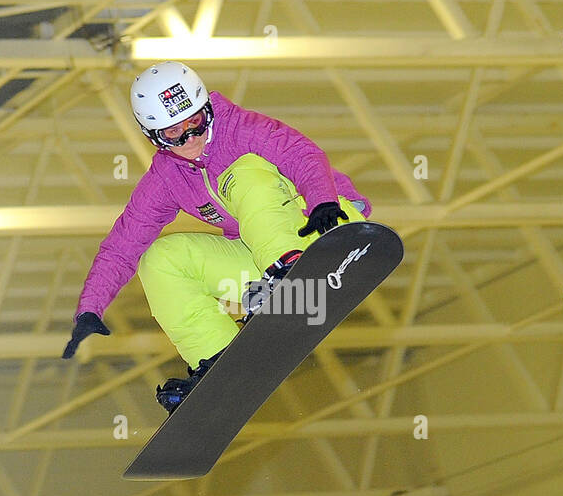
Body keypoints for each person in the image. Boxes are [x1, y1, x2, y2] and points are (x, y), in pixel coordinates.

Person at [62, 61, 371, 412]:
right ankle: (218, 360)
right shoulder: (166, 178)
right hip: (261, 269)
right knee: (159, 259)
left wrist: (322, 201)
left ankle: (289, 270)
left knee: (244, 173)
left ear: (206, 109)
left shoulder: (241, 129)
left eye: (195, 122)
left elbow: (301, 154)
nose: (191, 138)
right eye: (175, 133)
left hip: (322, 229)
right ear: (154, 138)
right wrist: (90, 309)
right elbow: (123, 245)